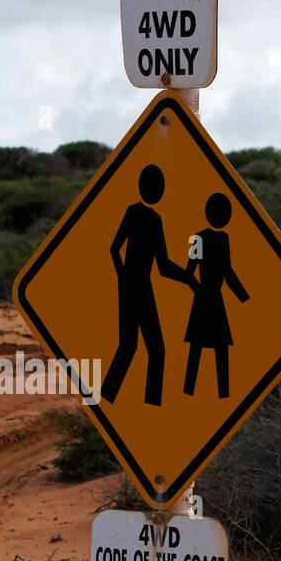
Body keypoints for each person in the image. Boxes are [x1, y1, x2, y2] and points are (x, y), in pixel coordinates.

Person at [101, 164, 187, 407]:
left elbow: (114, 248)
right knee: (156, 351)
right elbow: (164, 266)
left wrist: (121, 276)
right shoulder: (153, 219)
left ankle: (108, 397)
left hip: (128, 286)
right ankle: (151, 404)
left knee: (128, 346)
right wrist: (190, 280)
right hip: (141, 287)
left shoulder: (131, 211)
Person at [182, 191, 249, 399]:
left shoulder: (222, 238)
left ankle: (224, 394)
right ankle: (188, 391)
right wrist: (198, 290)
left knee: (219, 347)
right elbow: (189, 271)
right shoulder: (200, 238)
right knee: (198, 347)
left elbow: (227, 272)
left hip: (213, 298)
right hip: (205, 298)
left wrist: (244, 297)